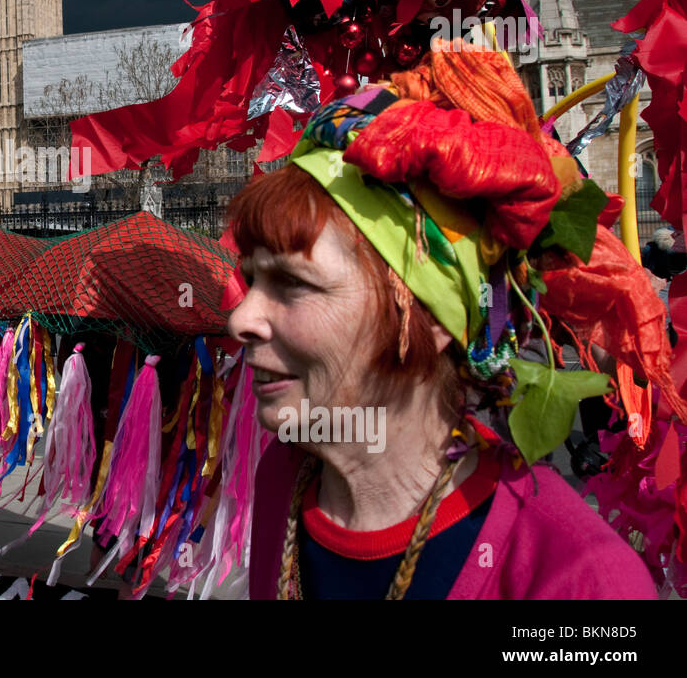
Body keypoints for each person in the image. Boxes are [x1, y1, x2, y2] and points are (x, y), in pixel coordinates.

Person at [230, 41, 677, 599]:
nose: (241, 318)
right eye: (252, 280)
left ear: (431, 316)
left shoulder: (580, 579)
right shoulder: (284, 480)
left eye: (293, 283)